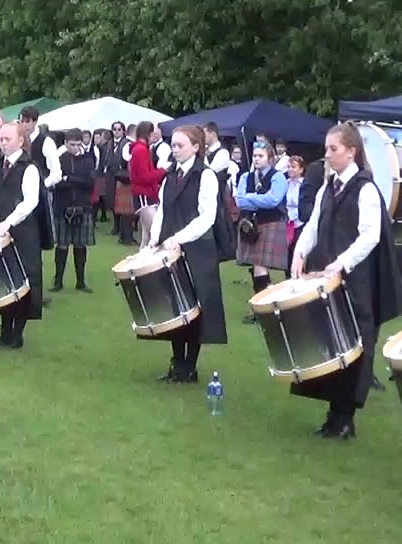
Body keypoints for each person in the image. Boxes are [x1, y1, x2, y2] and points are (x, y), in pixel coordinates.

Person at [290, 123, 400, 439]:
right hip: (330, 276)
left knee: (354, 347)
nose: (327, 155)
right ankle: (334, 416)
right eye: (326, 149)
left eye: (333, 149)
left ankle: (345, 418)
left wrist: (338, 265)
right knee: (331, 344)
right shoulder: (327, 188)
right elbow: (313, 225)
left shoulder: (366, 189)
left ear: (351, 151)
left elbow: (369, 237)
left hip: (357, 282)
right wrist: (300, 253)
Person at [145, 125, 229, 382]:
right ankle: (176, 363)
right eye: (174, 145)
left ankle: (189, 367)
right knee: (175, 307)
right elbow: (162, 210)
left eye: (180, 145)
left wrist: (178, 238)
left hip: (198, 249)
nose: (175, 149)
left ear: (196, 147)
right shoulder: (170, 175)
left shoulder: (206, 175)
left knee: (195, 308)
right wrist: (154, 239)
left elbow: (207, 217)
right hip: (170, 248)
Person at [0, 121, 51, 349]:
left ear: (21, 141)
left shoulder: (29, 168)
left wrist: (8, 223)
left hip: (23, 233)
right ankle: (5, 332)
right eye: (1, 138)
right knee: (4, 283)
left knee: (24, 283)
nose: (2, 142)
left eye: (7, 138)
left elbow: (30, 202)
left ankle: (17, 334)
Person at [235, 141, 290, 322]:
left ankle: (266, 309)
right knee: (257, 267)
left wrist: (251, 197)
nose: (256, 159)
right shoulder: (245, 177)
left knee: (259, 266)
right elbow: (240, 202)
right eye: (255, 156)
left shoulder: (278, 177)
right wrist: (257, 199)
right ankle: (268, 308)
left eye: (260, 156)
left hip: (271, 223)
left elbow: (273, 200)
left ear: (270, 158)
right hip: (251, 225)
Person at [51, 129, 97, 292]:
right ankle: (58, 282)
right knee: (62, 246)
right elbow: (56, 183)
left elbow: (91, 183)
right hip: (62, 206)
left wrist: (69, 178)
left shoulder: (88, 159)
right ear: (65, 143)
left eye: (78, 144)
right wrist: (75, 181)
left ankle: (81, 282)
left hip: (82, 206)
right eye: (72, 144)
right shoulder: (59, 159)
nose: (76, 148)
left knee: (80, 245)